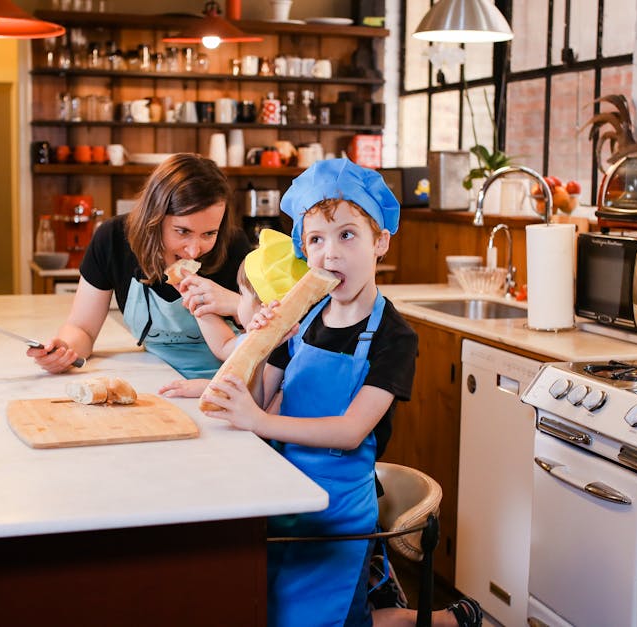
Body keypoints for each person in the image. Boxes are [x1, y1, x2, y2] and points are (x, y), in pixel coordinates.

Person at [201, 159, 482, 627]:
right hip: (281, 497)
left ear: (380, 242)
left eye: (347, 235)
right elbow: (260, 397)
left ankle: (447, 620)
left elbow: (350, 431)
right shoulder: (302, 321)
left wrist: (258, 421)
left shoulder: (395, 337)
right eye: (316, 240)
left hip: (335, 515)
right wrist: (258, 341)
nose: (330, 254)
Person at [28, 153, 251, 379]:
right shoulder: (113, 239)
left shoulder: (234, 246)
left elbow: (267, 339)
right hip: (156, 378)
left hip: (227, 381)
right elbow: (82, 329)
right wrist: (64, 352)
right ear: (154, 217)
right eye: (182, 231)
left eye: (209, 234)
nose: (194, 251)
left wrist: (237, 304)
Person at [159, 228, 307, 399]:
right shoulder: (258, 336)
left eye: (242, 294)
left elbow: (258, 401)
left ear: (264, 308)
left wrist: (209, 387)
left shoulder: (280, 348)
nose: (237, 300)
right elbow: (224, 346)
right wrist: (196, 302)